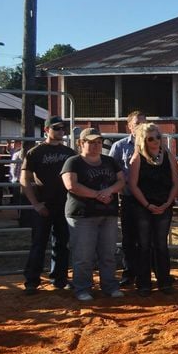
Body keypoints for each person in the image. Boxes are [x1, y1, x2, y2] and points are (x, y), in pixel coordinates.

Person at [61, 128, 125, 302]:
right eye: (90, 142)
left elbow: (121, 180)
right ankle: (82, 288)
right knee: (83, 255)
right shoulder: (73, 162)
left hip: (108, 213)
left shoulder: (110, 161)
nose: (96, 146)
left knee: (108, 253)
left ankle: (110, 286)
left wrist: (109, 190)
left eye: (98, 142)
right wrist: (99, 194)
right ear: (81, 143)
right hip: (82, 215)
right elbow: (71, 185)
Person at [20, 116, 76, 294]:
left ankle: (59, 279)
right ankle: (31, 281)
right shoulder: (35, 152)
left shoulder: (69, 152)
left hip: (64, 205)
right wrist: (35, 204)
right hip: (44, 204)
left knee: (62, 243)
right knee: (39, 243)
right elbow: (25, 179)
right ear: (46, 130)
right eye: (57, 128)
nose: (61, 131)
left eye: (63, 128)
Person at [127, 123, 178, 296]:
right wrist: (147, 205)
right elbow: (133, 186)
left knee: (161, 244)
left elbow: (175, 182)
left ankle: (164, 281)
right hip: (143, 206)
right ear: (143, 140)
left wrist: (167, 202)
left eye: (158, 137)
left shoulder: (168, 155)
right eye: (151, 138)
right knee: (144, 245)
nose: (156, 141)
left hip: (164, 205)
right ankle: (144, 283)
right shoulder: (137, 159)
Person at [109, 111, 146, 286]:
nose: (140, 126)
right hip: (128, 198)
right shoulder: (119, 146)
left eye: (143, 122)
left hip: (148, 198)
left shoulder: (152, 143)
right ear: (129, 126)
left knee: (148, 238)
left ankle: (146, 273)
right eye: (137, 123)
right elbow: (109, 171)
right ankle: (129, 273)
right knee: (129, 237)